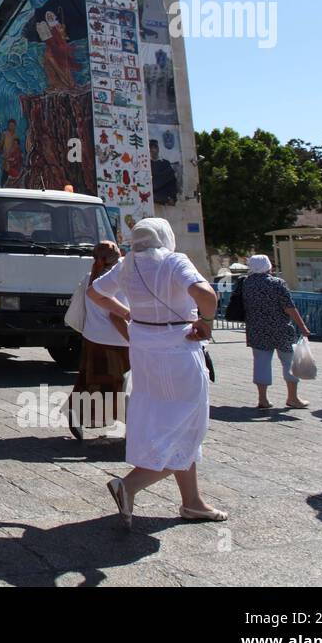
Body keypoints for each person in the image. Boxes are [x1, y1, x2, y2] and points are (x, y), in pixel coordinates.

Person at [88, 217, 225, 528]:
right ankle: (130, 485)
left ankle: (192, 502)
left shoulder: (128, 264)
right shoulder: (174, 261)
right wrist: (206, 322)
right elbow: (207, 296)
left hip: (144, 350)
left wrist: (128, 313)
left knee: (166, 419)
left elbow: (96, 293)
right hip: (178, 347)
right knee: (188, 425)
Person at [69, 240, 131, 441]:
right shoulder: (117, 281)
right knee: (119, 387)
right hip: (116, 343)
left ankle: (76, 412)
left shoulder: (90, 277)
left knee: (90, 381)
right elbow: (116, 315)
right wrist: (135, 340)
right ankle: (134, 428)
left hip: (92, 339)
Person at [241, 254, 312, 410]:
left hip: (256, 329)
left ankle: (263, 399)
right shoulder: (277, 283)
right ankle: (293, 398)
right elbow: (289, 307)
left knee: (261, 363)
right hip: (280, 329)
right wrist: (302, 326)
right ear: (268, 266)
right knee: (289, 362)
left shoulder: (246, 283)